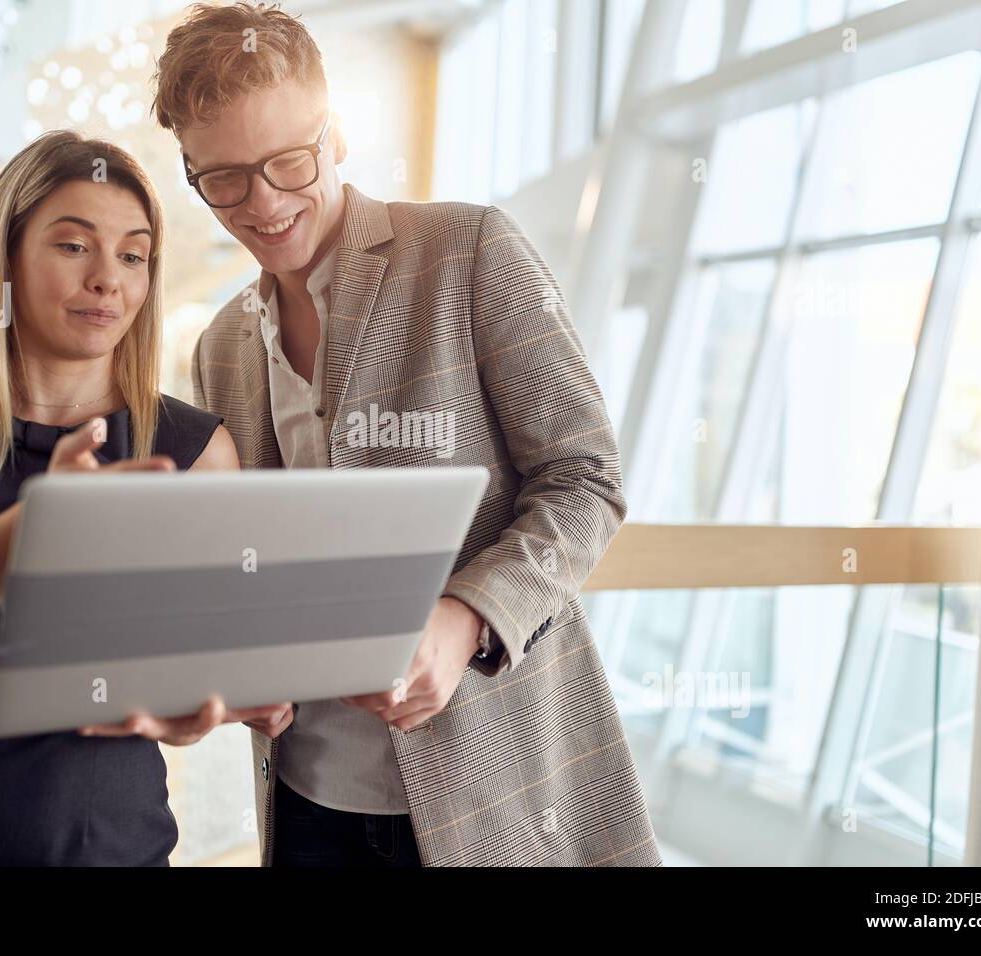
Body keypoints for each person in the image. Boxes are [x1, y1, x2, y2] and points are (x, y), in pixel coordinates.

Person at [155, 1, 662, 866]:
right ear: (192, 173)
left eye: (288, 161)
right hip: (304, 798)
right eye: (226, 179)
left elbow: (586, 480)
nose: (264, 203)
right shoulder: (222, 347)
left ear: (337, 133)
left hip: (496, 788)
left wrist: (466, 618)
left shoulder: (470, 250)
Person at [0, 130, 291, 866]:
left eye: (132, 255)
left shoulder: (194, 450)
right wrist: (43, 526)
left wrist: (200, 707)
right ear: (8, 259)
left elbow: (198, 671)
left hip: (115, 839)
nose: (107, 280)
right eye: (74, 246)